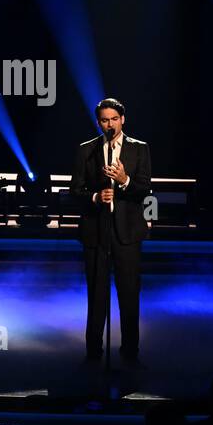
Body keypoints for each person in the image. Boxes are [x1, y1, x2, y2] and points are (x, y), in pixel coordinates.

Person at [71, 98, 152, 365]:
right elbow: (75, 192)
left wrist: (124, 180)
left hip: (127, 233)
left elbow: (144, 189)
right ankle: (93, 350)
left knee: (129, 294)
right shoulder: (88, 150)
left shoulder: (139, 149)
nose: (110, 124)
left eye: (114, 119)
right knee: (97, 294)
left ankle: (130, 350)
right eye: (104, 120)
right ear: (99, 122)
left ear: (122, 120)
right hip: (97, 232)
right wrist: (95, 197)